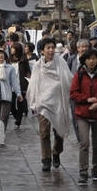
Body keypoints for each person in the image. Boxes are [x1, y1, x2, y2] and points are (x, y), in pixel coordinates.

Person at [27, 37, 73, 171]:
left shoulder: (61, 63)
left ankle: (56, 152)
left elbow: (69, 80)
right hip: (43, 103)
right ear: (42, 51)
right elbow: (34, 85)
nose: (51, 50)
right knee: (44, 132)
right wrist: (34, 102)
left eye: (53, 47)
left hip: (59, 102)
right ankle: (46, 159)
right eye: (48, 48)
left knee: (59, 131)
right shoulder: (37, 66)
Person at [69, 48, 97, 184]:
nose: (91, 61)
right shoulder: (79, 74)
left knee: (96, 145)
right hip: (82, 114)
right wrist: (87, 99)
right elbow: (73, 93)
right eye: (89, 58)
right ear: (84, 60)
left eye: (94, 58)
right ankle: (83, 171)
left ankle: (96, 171)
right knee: (84, 144)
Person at [11, 41, 31, 130]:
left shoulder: (23, 60)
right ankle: (17, 117)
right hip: (11, 86)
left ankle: (18, 122)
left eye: (13, 48)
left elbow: (28, 72)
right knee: (11, 105)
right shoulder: (9, 60)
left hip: (21, 85)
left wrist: (27, 85)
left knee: (20, 104)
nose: (11, 50)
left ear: (17, 50)